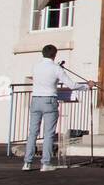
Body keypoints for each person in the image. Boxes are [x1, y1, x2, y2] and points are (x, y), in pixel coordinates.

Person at [22, 44, 85, 172]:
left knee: (33, 132)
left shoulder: (36, 66)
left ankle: (27, 163)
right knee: (48, 133)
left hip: (35, 100)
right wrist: (87, 86)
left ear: (43, 53)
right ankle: (45, 163)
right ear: (54, 55)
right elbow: (72, 85)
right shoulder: (56, 68)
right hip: (49, 100)